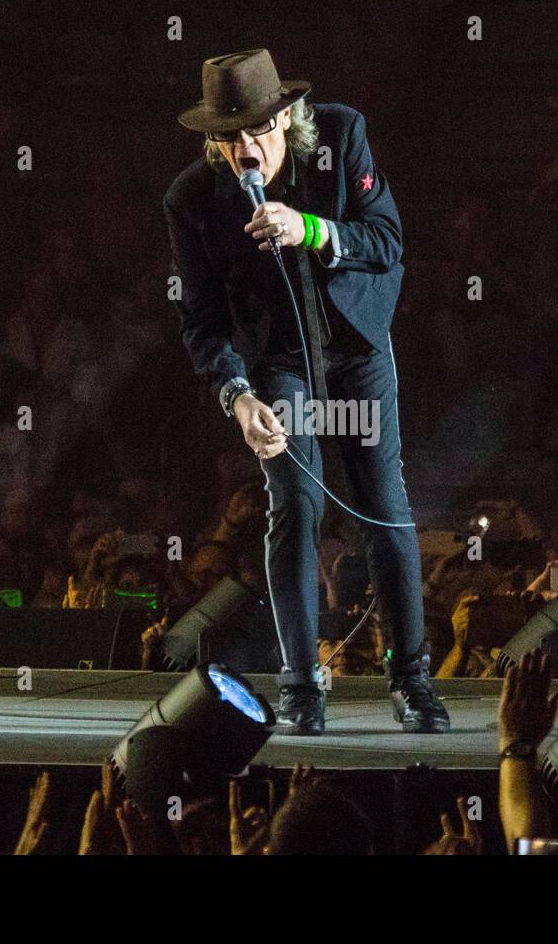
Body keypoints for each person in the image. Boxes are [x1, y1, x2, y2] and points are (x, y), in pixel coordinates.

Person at [164, 49, 447, 734]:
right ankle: (300, 683)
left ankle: (410, 679)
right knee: (293, 502)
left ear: (286, 118)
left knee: (383, 507)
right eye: (227, 137)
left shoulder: (342, 137)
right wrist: (238, 397)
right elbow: (201, 321)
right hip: (281, 362)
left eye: (256, 131)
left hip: (356, 348)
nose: (243, 150)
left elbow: (387, 240)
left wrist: (310, 228)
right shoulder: (193, 199)